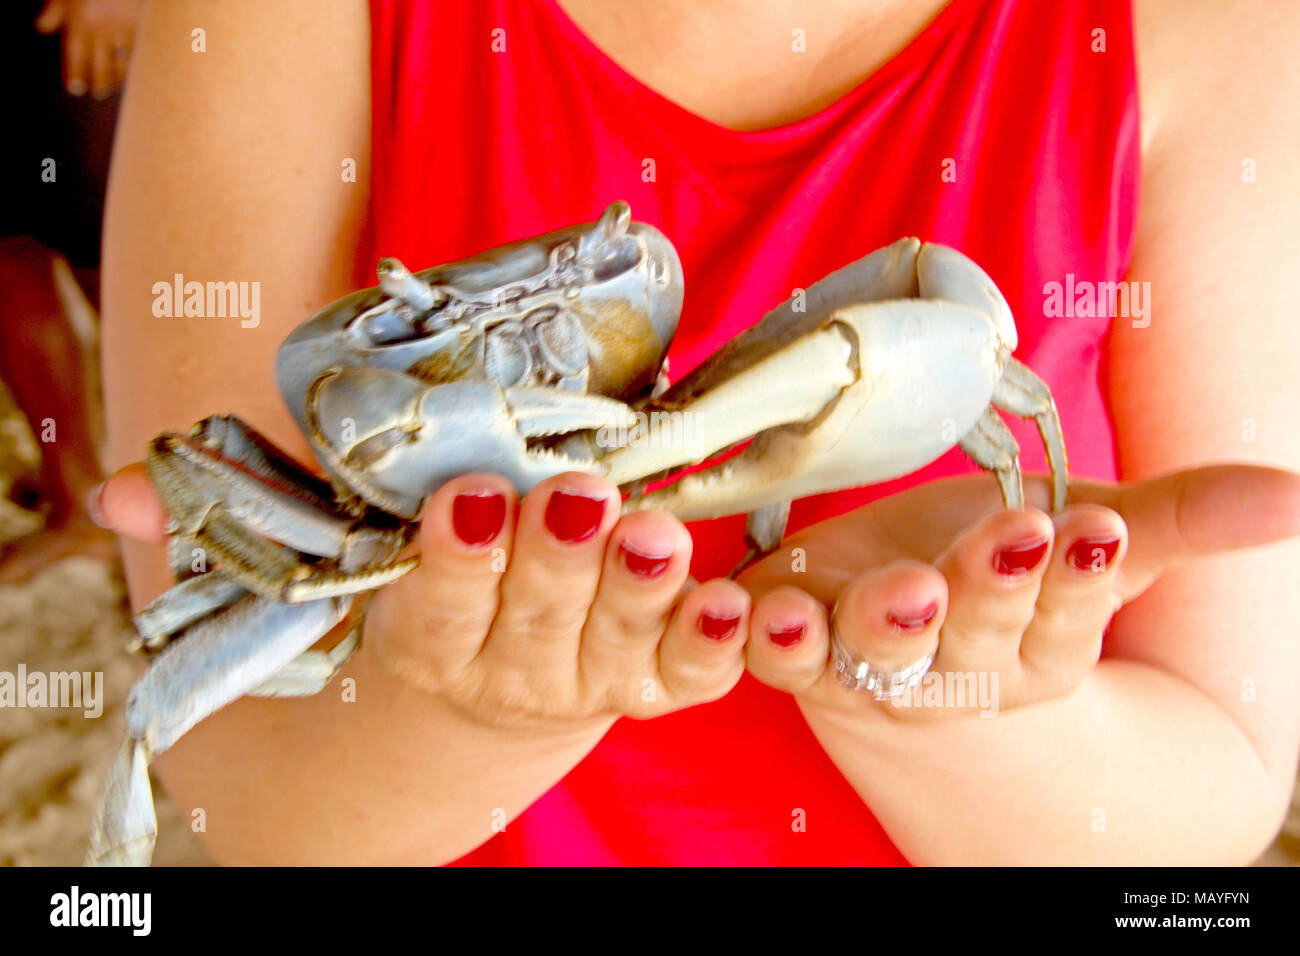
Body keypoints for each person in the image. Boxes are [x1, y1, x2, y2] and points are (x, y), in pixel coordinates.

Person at [93, 0, 1300, 864]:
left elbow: (1221, 790)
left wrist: (958, 715)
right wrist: (455, 720)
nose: (539, 351)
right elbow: (218, 762)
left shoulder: (1207, 31)